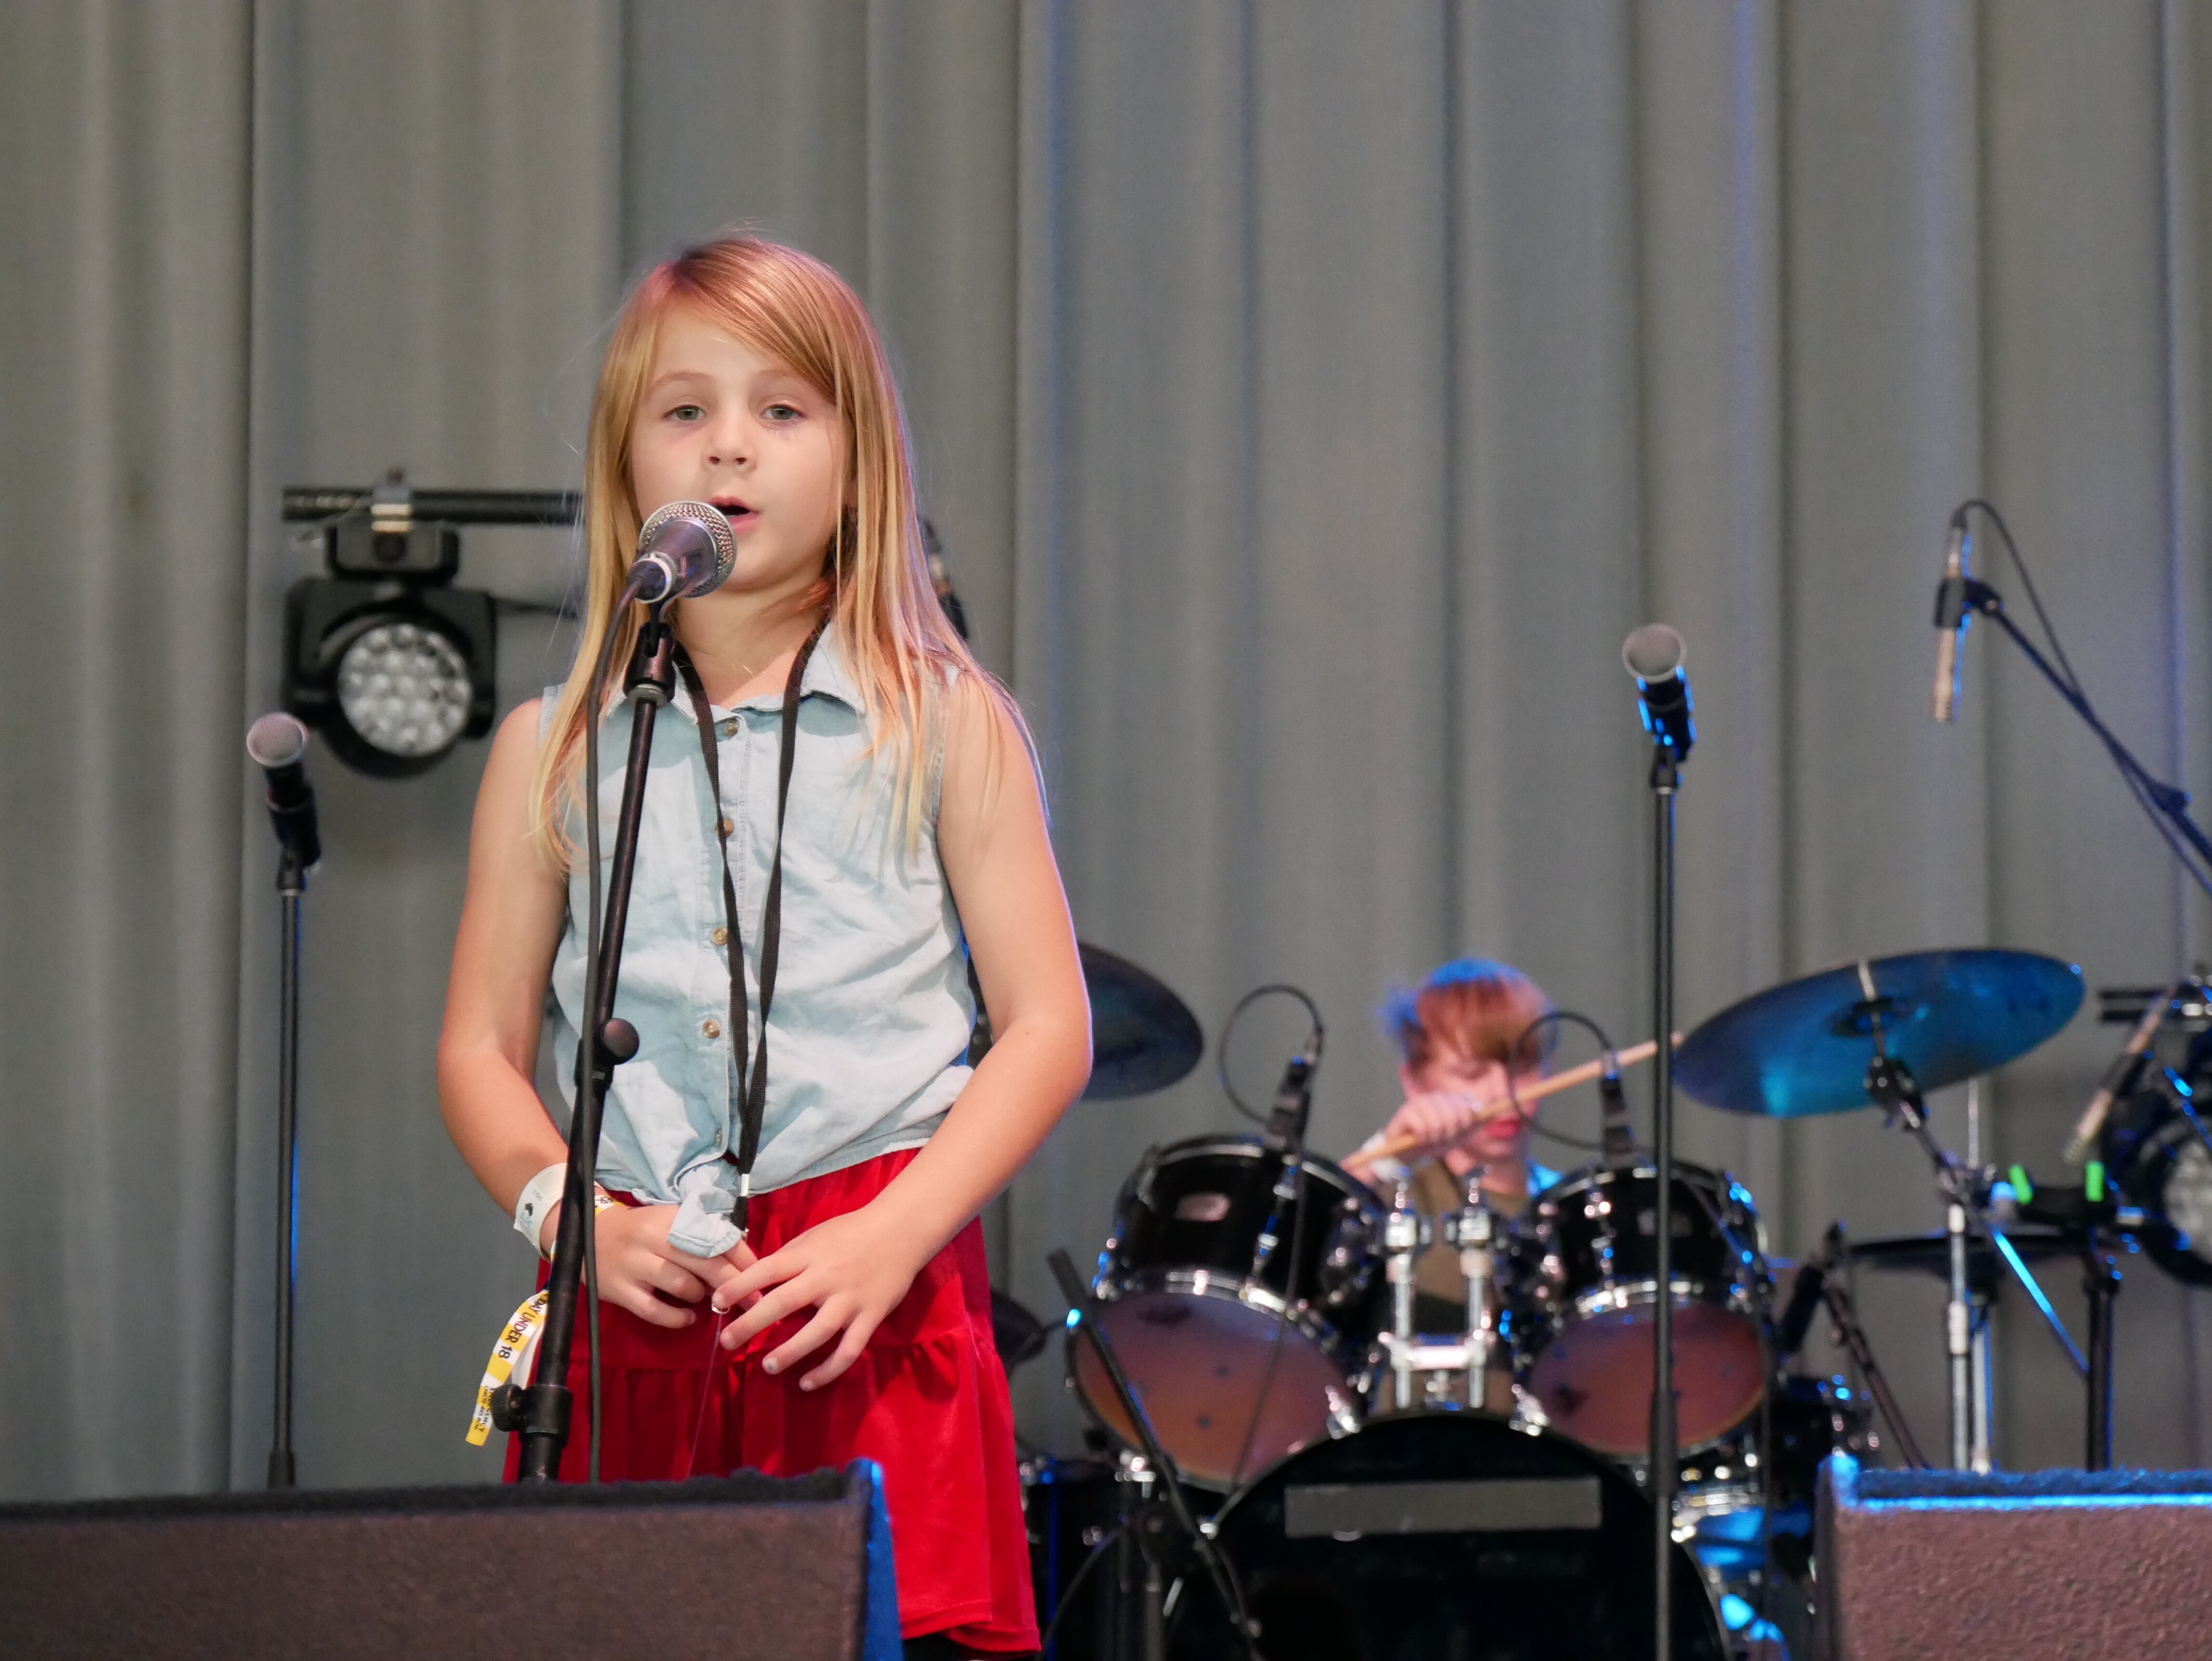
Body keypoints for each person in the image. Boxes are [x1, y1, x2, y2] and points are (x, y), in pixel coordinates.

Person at [437, 233, 1090, 1659]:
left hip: (871, 1282)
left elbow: (1046, 1026)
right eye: (684, 414)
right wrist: (572, 1222)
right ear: (623, 470)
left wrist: (897, 1234)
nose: (729, 449)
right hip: (635, 1285)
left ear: (859, 466)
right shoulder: (549, 751)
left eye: (783, 411)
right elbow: (479, 1051)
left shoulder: (945, 719)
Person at [1340, 957, 1559, 1407]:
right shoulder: (1385, 1198)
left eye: (1523, 1067)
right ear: (1415, 1083)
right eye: (1473, 1074)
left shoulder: (1568, 1211)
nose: (1503, 1093)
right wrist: (1391, 1149)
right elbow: (1297, 1231)